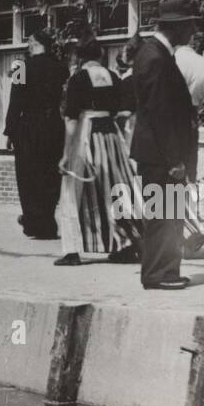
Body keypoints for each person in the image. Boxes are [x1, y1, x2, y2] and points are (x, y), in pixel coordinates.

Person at [130, 0, 200, 290]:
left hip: (158, 153)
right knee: (163, 215)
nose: (193, 32)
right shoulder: (157, 58)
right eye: (191, 26)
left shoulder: (156, 53)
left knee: (168, 214)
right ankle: (158, 274)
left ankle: (166, 271)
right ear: (178, 27)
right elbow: (161, 114)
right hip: (161, 156)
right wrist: (174, 160)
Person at [54, 36, 141, 266]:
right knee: (116, 188)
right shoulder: (113, 76)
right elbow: (123, 111)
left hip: (85, 135)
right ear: (100, 56)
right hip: (110, 136)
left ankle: (72, 250)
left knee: (73, 190)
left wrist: (66, 154)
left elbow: (71, 119)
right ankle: (124, 244)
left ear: (80, 56)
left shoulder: (78, 79)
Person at [3, 28, 68, 240]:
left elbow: (15, 102)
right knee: (50, 174)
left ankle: (34, 222)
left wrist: (10, 131)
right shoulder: (60, 67)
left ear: (35, 43)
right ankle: (48, 221)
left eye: (30, 41)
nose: (27, 45)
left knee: (28, 175)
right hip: (54, 127)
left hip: (29, 127)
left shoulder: (21, 67)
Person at [175, 40, 204, 257]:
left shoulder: (172, 62)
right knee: (187, 177)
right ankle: (189, 229)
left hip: (171, 120)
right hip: (191, 122)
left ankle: (185, 234)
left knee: (166, 180)